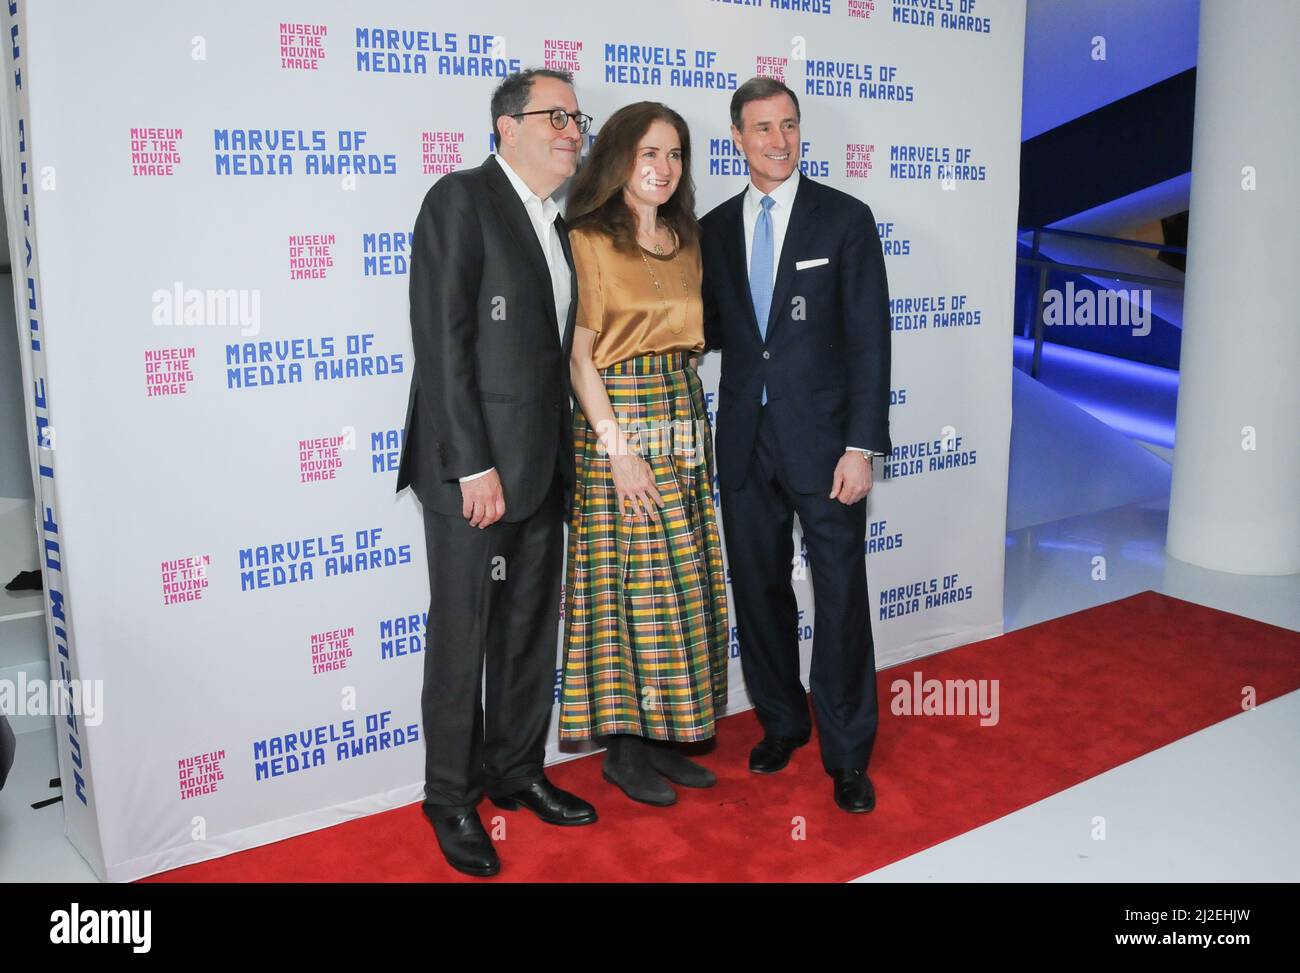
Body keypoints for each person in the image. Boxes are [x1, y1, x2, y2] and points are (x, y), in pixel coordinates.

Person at [395, 68, 597, 877]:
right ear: (506, 126)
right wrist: (473, 462)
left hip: (542, 473)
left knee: (523, 633)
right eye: (557, 116)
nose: (573, 131)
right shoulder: (459, 199)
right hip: (472, 475)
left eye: (579, 119)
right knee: (462, 635)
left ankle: (517, 771)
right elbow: (442, 347)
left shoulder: (557, 221)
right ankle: (450, 797)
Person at [699, 77, 892, 813]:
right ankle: (782, 719)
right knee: (758, 587)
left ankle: (847, 753)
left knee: (841, 595)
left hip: (827, 446)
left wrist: (861, 445)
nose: (778, 140)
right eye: (762, 128)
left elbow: (870, 340)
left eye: (789, 125)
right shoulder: (714, 229)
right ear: (738, 138)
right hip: (745, 440)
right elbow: (712, 329)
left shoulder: (845, 219)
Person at [561, 102, 729, 807]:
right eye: (648, 154)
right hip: (619, 422)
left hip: (681, 414)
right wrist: (619, 450)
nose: (663, 168)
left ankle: (666, 736)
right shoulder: (589, 239)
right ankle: (624, 749)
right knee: (627, 586)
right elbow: (579, 359)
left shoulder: (687, 238)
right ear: (619, 160)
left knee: (682, 582)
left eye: (676, 154)